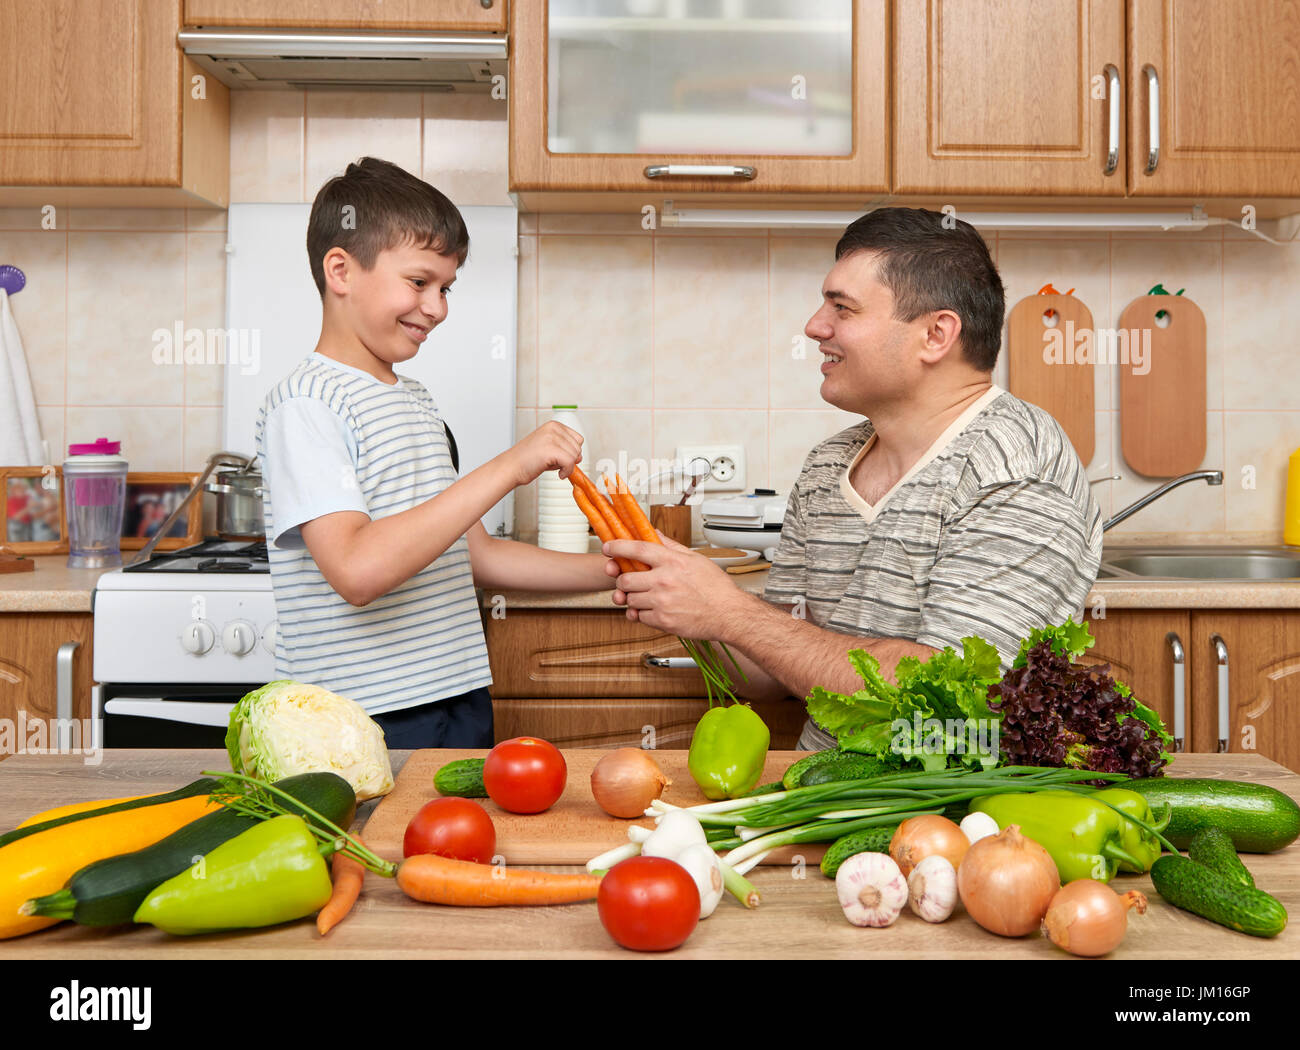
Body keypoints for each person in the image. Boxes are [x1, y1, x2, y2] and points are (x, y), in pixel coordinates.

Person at [604, 207, 1103, 750]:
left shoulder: (1016, 465)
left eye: (842, 308)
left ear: (936, 334)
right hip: (822, 793)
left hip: (951, 817)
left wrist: (730, 610)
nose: (815, 327)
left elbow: (952, 697)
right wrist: (688, 603)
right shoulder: (828, 465)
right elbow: (775, 671)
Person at [256, 157, 613, 748]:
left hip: (455, 694)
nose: (438, 308)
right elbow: (357, 571)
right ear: (341, 270)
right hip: (364, 719)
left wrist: (618, 568)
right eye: (419, 282)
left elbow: (477, 554)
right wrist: (507, 467)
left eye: (446, 288)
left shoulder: (415, 400)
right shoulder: (307, 404)